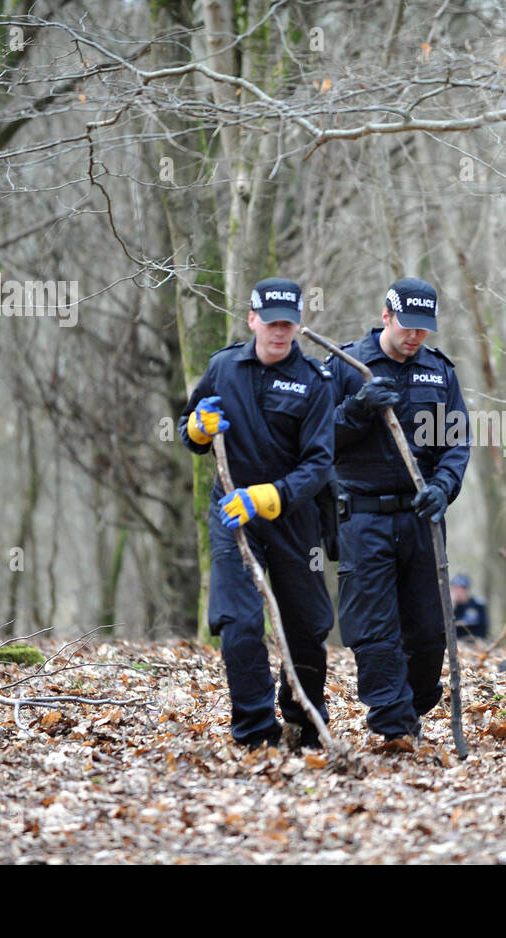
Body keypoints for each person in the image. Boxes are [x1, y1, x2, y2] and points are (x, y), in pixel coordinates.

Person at [180, 278, 335, 751]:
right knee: (240, 622)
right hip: (233, 515)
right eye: (271, 322)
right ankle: (254, 732)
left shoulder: (315, 381)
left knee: (308, 626)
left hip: (294, 518)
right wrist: (198, 428)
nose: (279, 332)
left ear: (298, 325)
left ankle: (304, 723)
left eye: (288, 323)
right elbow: (190, 435)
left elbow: (318, 465)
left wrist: (269, 497)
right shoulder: (223, 367)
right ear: (253, 319)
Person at [329, 278, 471, 742]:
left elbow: (456, 443)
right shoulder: (348, 366)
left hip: (421, 519)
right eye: (407, 326)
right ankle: (393, 726)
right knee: (376, 630)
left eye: (424, 329)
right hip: (363, 517)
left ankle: (410, 706)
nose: (415, 337)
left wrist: (443, 487)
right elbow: (314, 439)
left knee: (429, 633)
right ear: (386, 316)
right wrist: (357, 409)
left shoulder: (439, 371)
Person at [451, 573, 489, 642]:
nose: (459, 591)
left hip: (474, 643)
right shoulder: (448, 608)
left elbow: (483, 630)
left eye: (462, 588)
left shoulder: (477, 605)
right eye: (456, 588)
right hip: (455, 644)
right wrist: (452, 606)